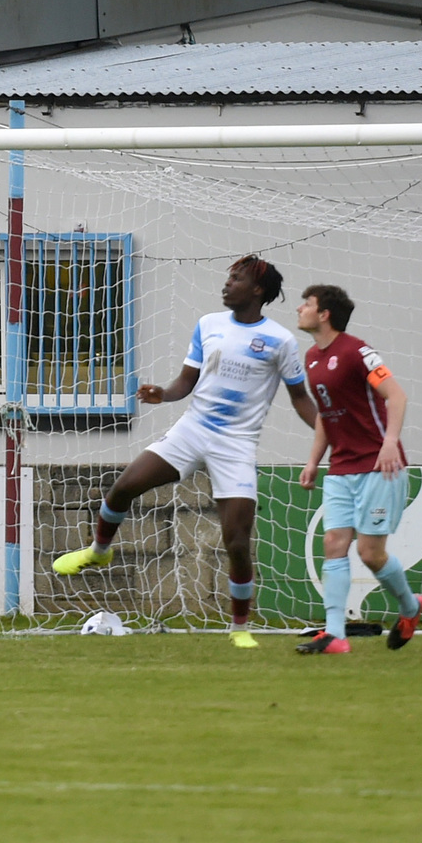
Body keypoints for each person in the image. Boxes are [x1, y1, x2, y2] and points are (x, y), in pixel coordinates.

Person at [52, 255, 318, 649]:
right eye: (228, 277)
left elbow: (300, 398)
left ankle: (239, 628)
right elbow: (185, 382)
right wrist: (164, 394)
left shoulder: (280, 341)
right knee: (124, 487)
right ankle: (98, 551)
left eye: (236, 278)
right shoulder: (209, 325)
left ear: (257, 290)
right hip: (192, 431)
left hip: (236, 445)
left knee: (238, 542)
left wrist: (332, 432)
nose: (227, 284)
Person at [294, 284, 422, 654]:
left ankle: (410, 609)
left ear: (324, 315)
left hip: (378, 466)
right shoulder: (312, 359)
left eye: (307, 304)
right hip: (341, 467)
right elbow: (325, 415)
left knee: (369, 553)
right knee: (333, 543)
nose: (299, 309)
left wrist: (389, 443)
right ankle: (335, 634)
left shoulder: (357, 351)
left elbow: (396, 395)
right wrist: (314, 460)